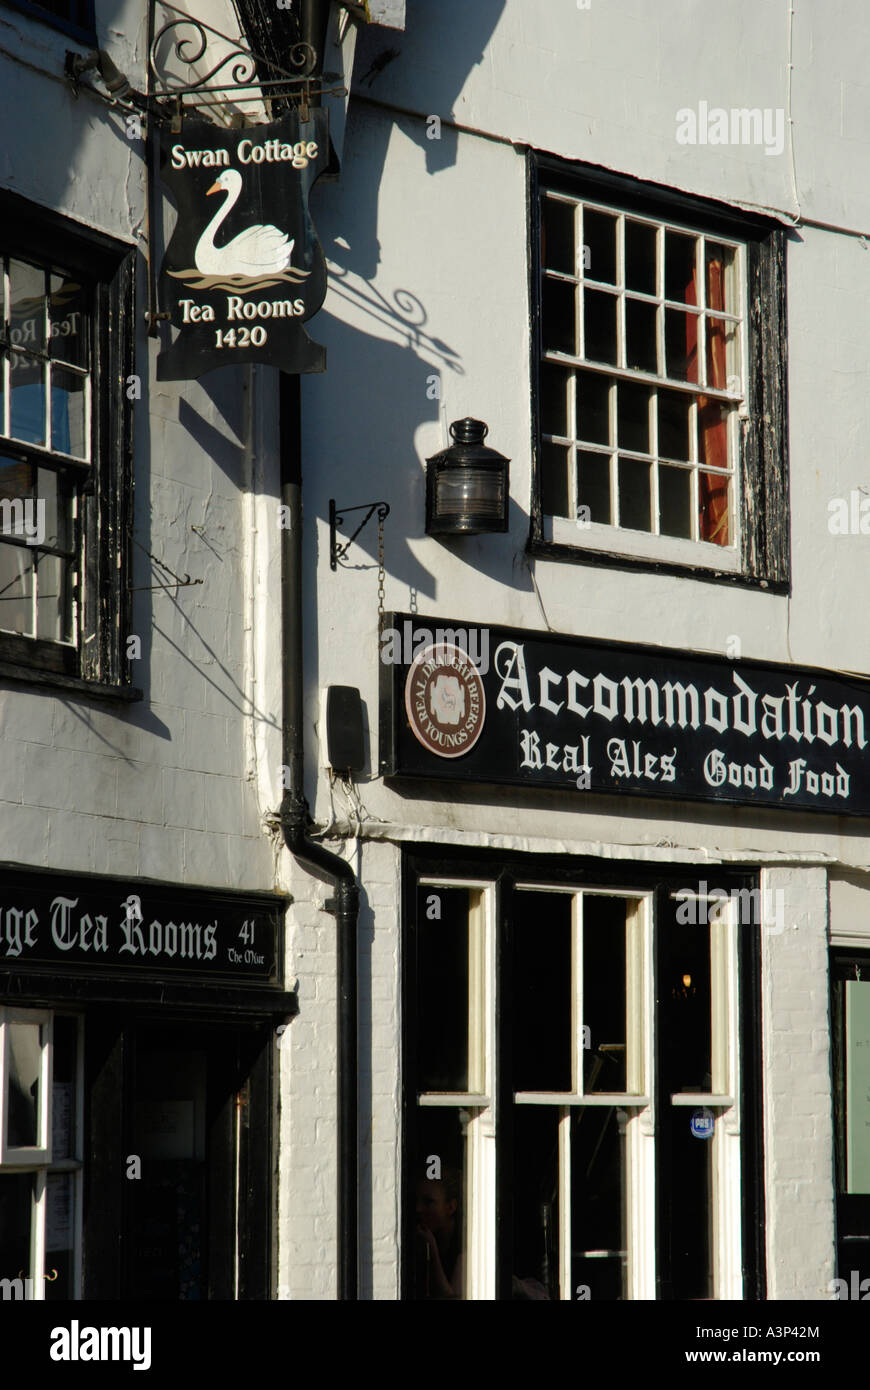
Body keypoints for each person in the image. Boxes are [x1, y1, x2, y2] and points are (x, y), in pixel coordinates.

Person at [415, 1169, 463, 1299]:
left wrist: (432, 1250)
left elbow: (451, 1297)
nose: (418, 1209)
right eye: (417, 1201)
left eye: (428, 1202)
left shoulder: (464, 1245)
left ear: (450, 1207)